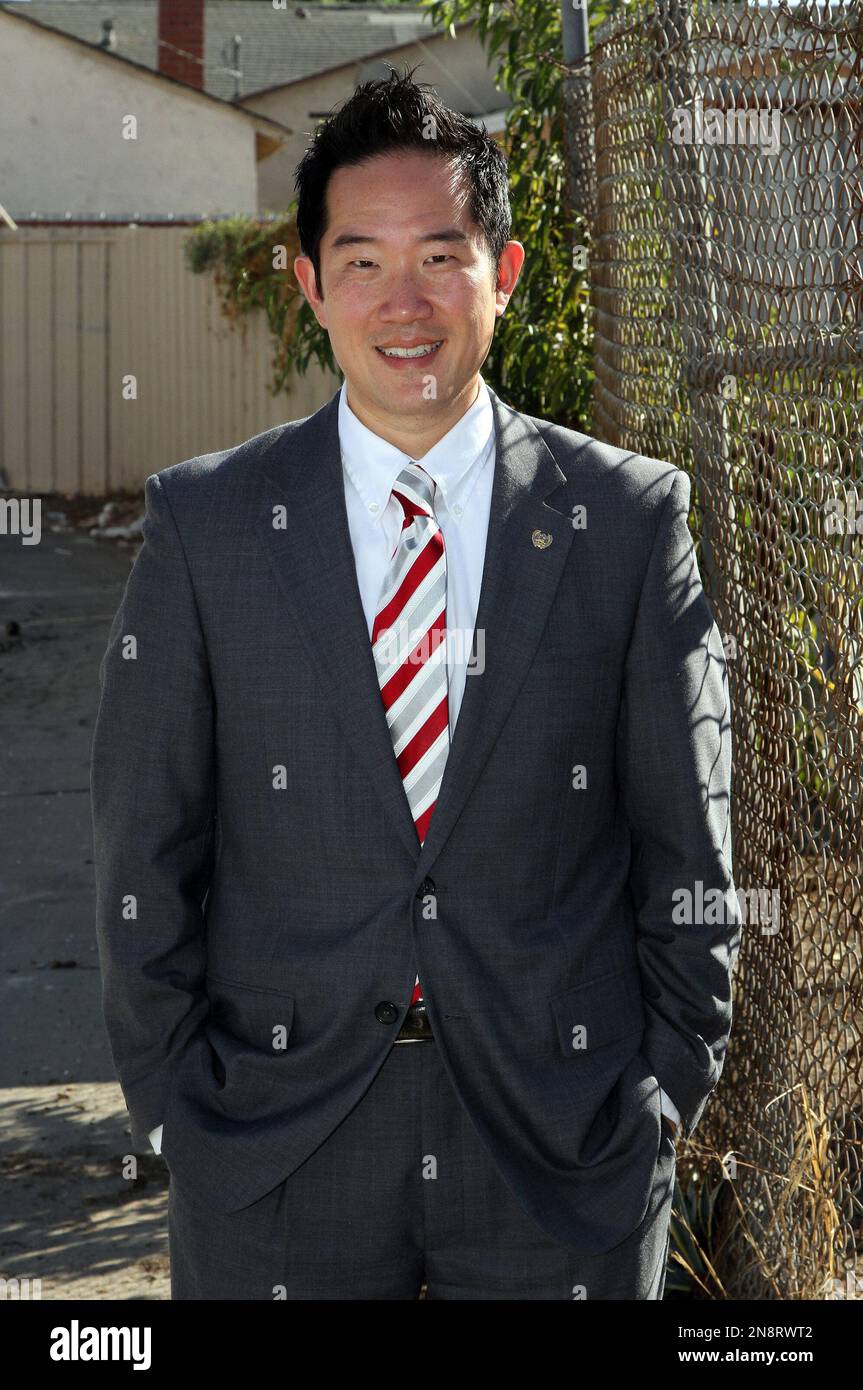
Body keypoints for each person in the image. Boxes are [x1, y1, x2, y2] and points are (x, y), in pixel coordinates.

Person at [91, 68, 740, 1300]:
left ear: (502, 273)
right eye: (362, 262)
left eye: (440, 256)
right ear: (308, 285)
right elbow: (142, 846)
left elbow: (687, 848)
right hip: (276, 1148)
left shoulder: (625, 517)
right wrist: (176, 1111)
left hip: (562, 1141)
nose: (405, 303)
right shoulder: (208, 523)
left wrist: (658, 1093)